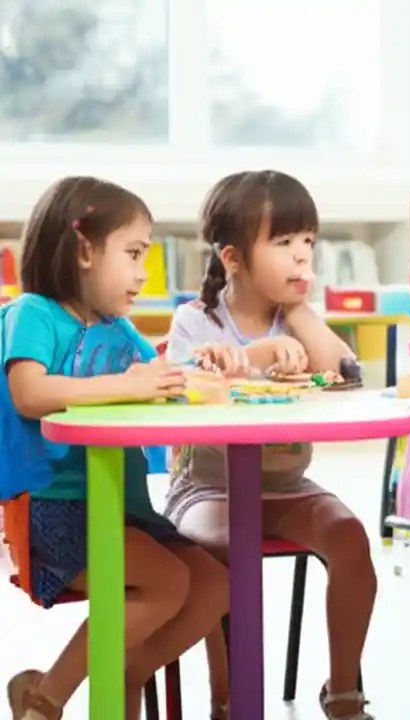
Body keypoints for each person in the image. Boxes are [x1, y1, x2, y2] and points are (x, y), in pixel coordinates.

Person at [2, 177, 229, 720]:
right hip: (53, 509)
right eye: (132, 253)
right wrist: (129, 385)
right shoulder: (34, 313)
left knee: (215, 584)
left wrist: (209, 369)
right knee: (170, 580)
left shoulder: (117, 328)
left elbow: (160, 376)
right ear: (83, 250)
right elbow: (30, 393)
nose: (142, 273)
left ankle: (121, 675)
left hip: (122, 507)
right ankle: (49, 699)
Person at [163, 171, 374, 720]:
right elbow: (181, 385)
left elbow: (346, 377)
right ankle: (229, 697)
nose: (302, 256)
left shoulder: (297, 321)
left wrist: (301, 312)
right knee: (218, 549)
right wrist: (257, 356)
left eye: (308, 241)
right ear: (233, 258)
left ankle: (344, 690)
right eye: (283, 243)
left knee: (350, 538)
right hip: (209, 487)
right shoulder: (198, 320)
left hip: (286, 487)